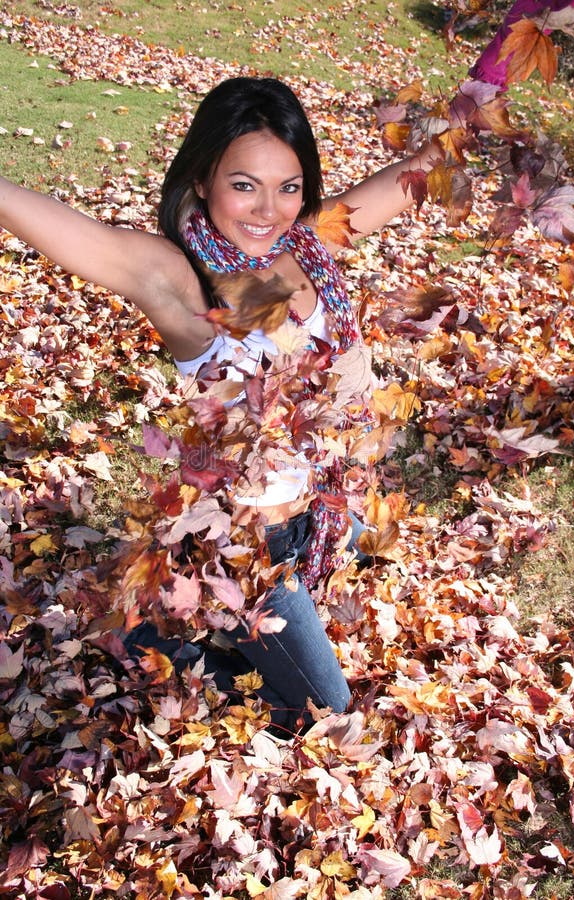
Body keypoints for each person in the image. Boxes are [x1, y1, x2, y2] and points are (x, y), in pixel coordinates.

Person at [0, 76, 442, 736]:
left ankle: (221, 598)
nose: (268, 209)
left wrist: (470, 120)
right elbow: (82, 237)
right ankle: (153, 638)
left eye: (288, 186)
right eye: (244, 185)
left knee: (367, 545)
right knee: (325, 713)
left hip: (320, 504)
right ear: (204, 179)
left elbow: (409, 178)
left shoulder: (307, 244)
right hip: (249, 544)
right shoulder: (182, 282)